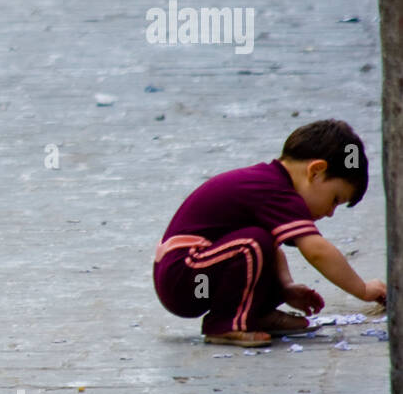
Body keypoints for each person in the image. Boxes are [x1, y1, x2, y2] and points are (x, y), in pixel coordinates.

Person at [153, 119, 386, 346]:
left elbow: (272, 251)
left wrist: (285, 288)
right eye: (334, 199)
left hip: (193, 274)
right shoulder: (275, 190)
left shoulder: (272, 184)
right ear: (316, 171)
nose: (330, 213)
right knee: (253, 243)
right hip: (184, 277)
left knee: (260, 242)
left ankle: (256, 315)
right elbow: (317, 251)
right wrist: (362, 289)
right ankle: (224, 325)